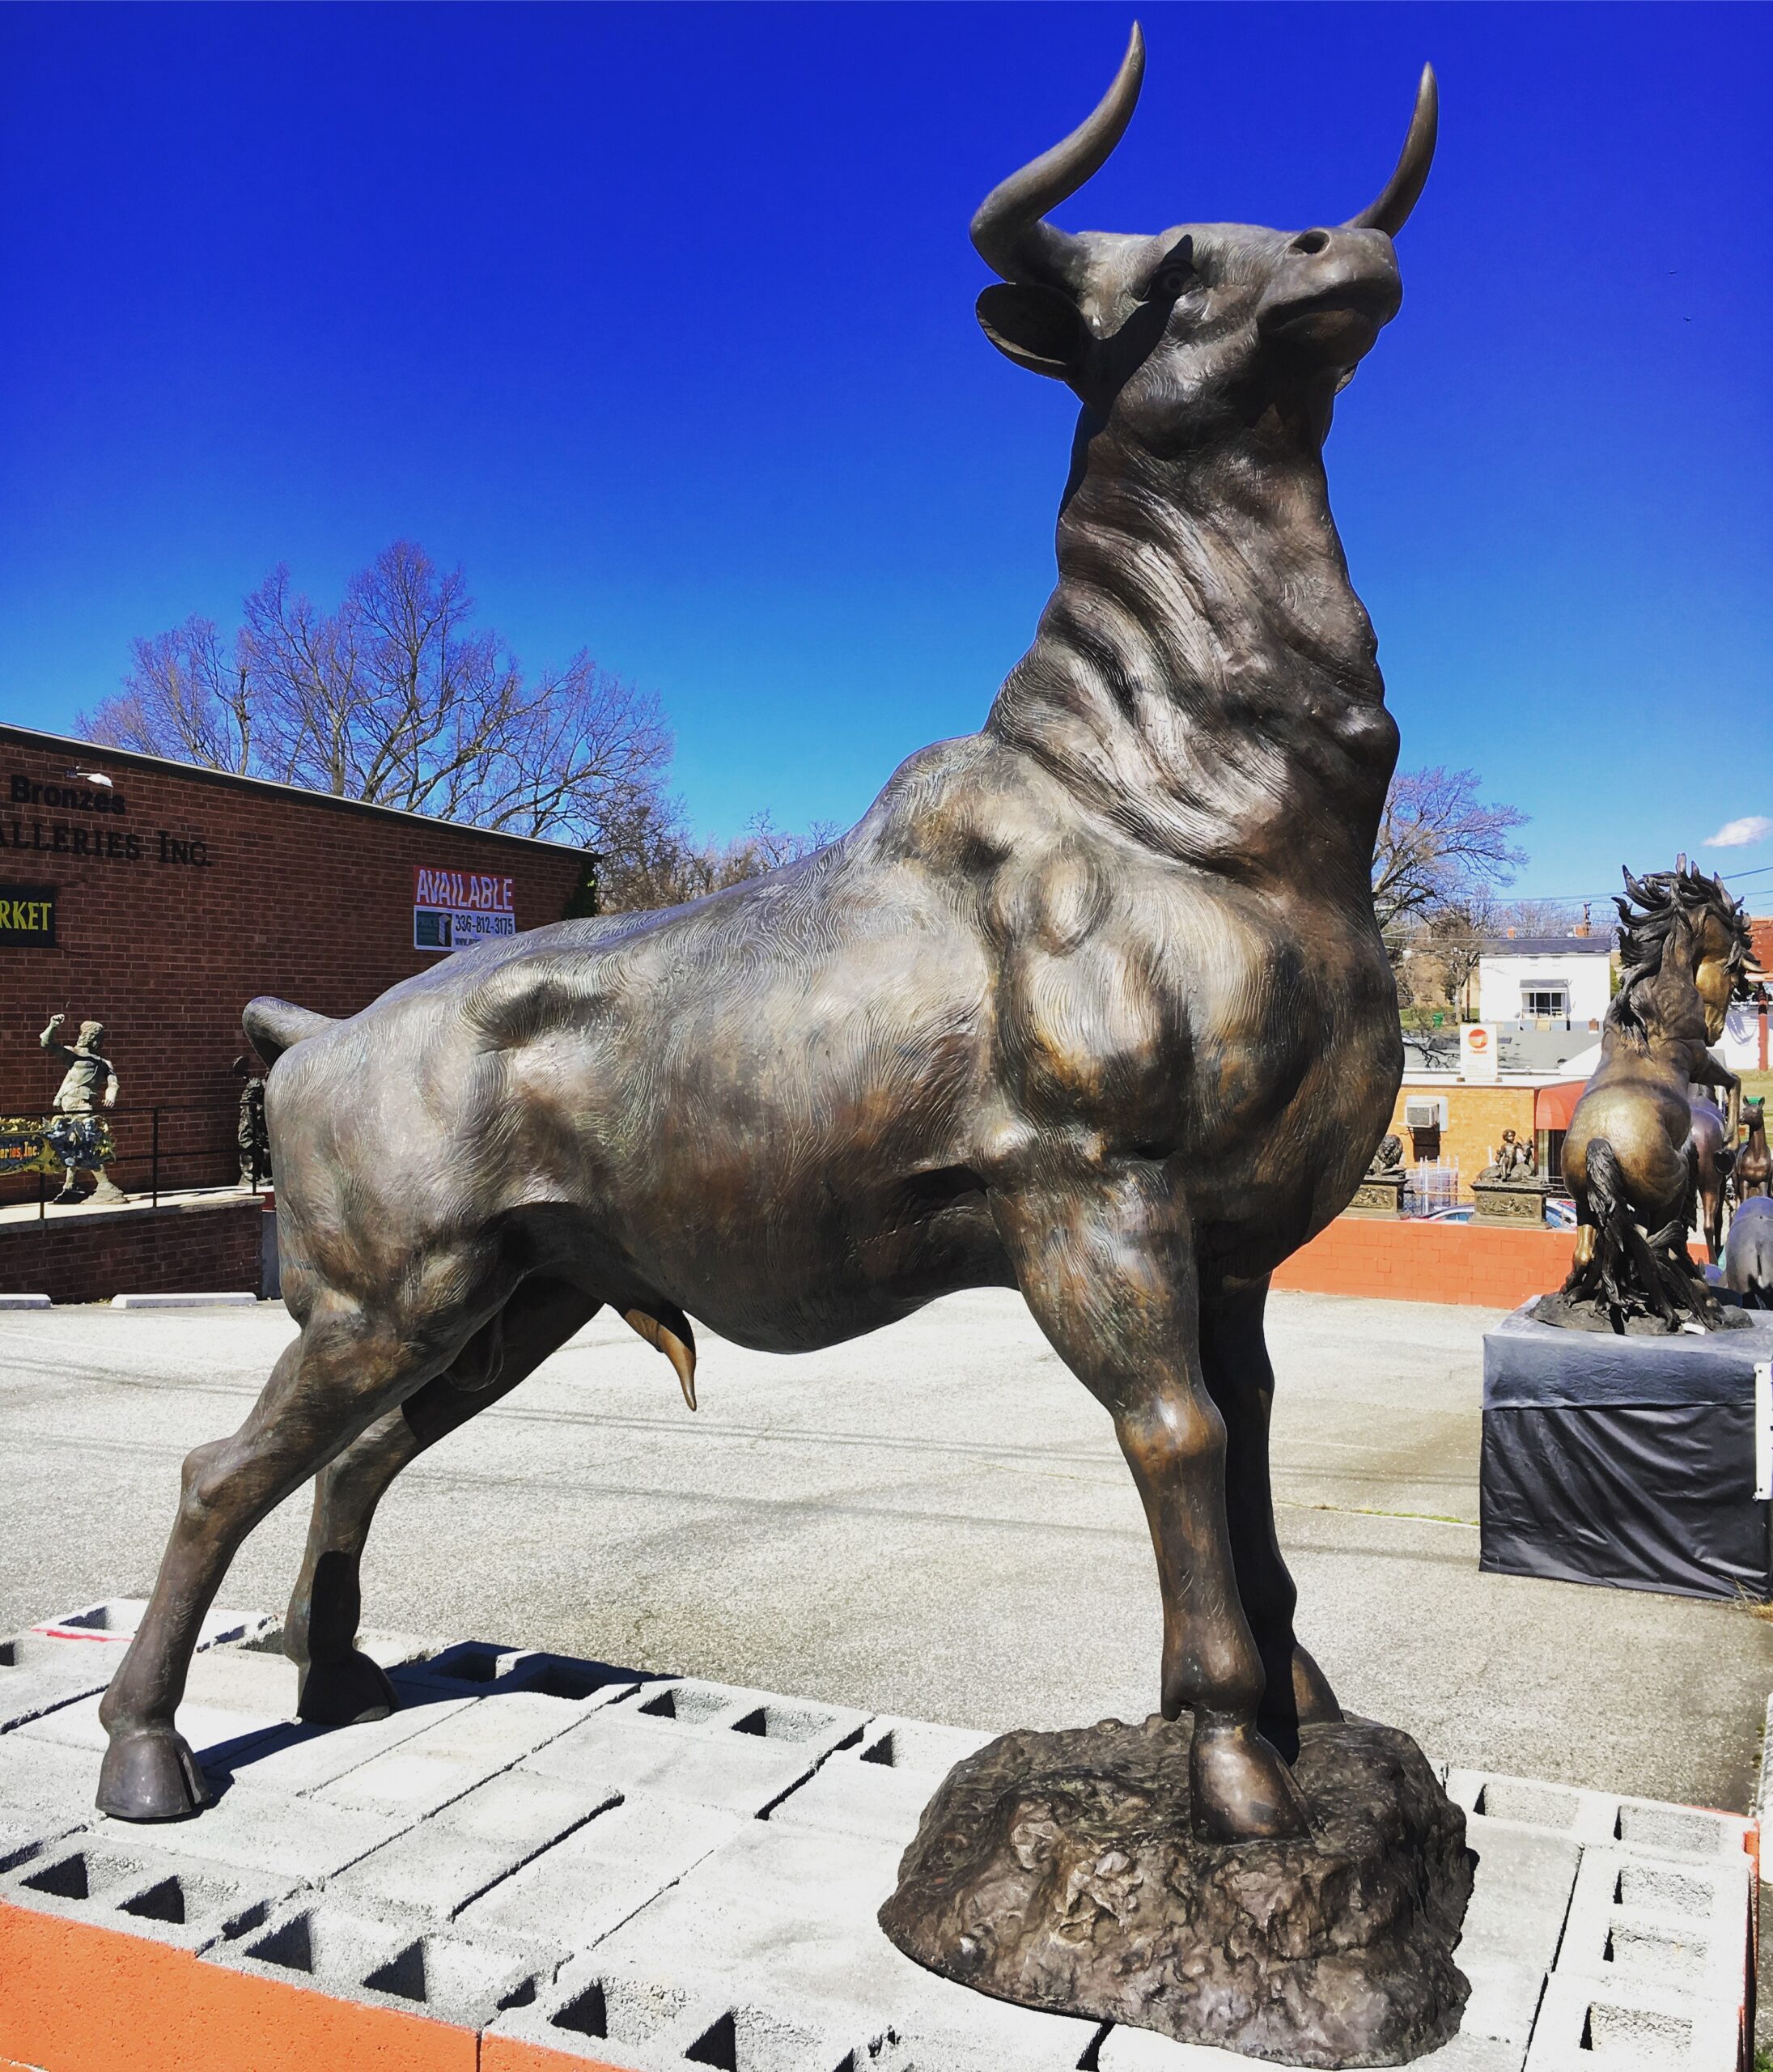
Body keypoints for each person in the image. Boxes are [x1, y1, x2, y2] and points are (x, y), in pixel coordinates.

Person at [39, 1013, 125, 1204]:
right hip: (74, 1103)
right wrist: (53, 1026)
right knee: (87, 1139)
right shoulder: (74, 1054)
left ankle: (70, 1185)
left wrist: (110, 1096)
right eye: (97, 1037)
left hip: (86, 1102)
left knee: (76, 1141)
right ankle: (104, 1184)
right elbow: (47, 1043)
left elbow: (113, 1084)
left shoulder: (104, 1063)